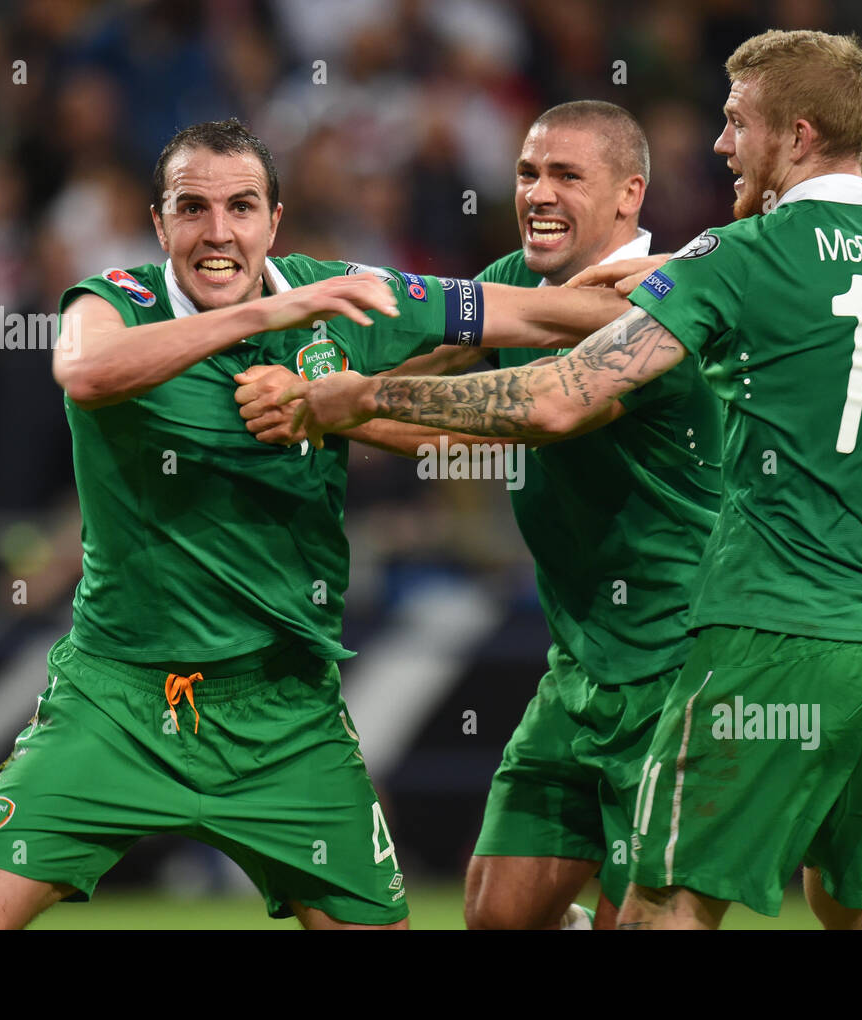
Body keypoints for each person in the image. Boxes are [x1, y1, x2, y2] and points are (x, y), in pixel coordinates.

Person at [276, 29, 862, 930]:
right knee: (856, 896)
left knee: (660, 909)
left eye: (735, 123)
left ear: (795, 136)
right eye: (529, 172)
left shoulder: (738, 259)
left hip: (766, 625)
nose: (720, 144)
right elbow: (803, 299)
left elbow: (561, 399)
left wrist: (360, 394)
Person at [0, 118, 627, 930]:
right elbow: (84, 371)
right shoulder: (113, 300)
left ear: (274, 221)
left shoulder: (339, 294)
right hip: (114, 704)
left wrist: (687, 286)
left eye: (242, 208)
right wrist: (267, 317)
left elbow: (525, 316)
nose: (218, 232)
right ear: (160, 225)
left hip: (284, 714)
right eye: (192, 208)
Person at [239, 100, 721, 930]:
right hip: (581, 663)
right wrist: (304, 372)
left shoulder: (669, 308)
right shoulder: (510, 280)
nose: (538, 191)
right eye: (528, 172)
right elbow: (434, 388)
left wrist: (345, 402)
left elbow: (541, 409)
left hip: (678, 662)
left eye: (568, 175)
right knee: (496, 916)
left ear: (629, 194)